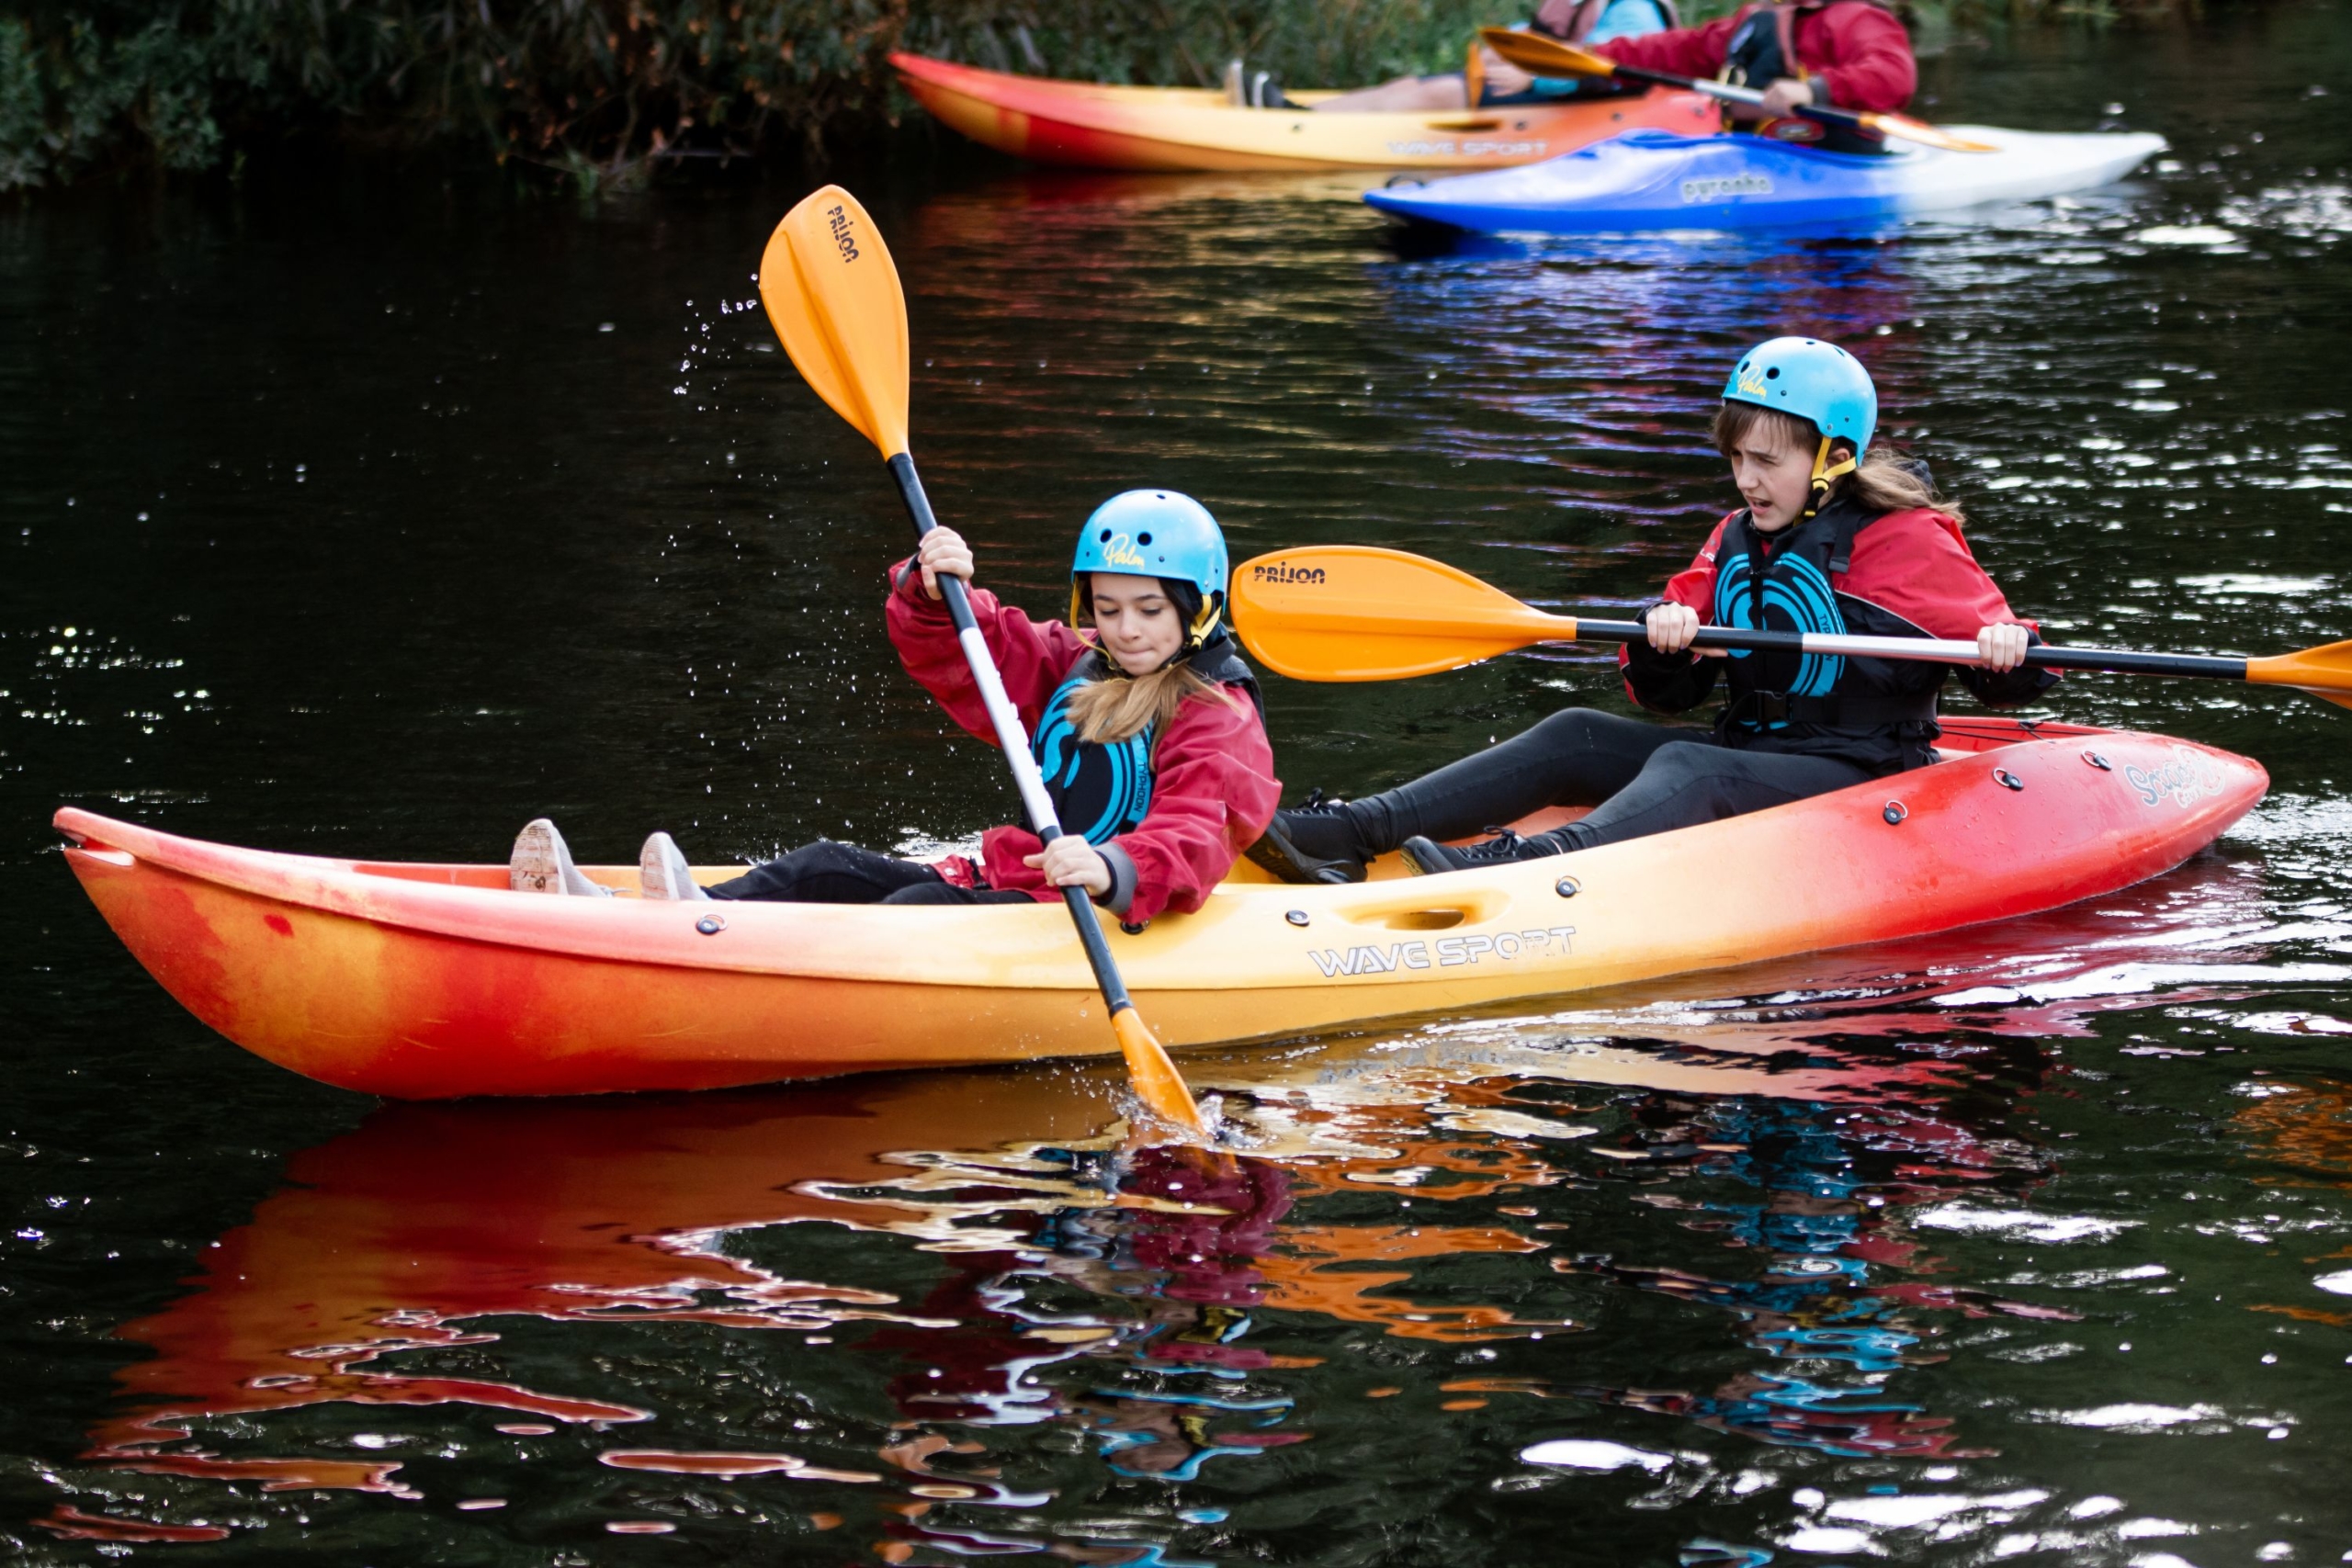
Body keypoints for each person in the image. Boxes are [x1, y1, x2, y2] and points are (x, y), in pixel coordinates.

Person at [1245, 336, 2053, 886]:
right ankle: (1352, 829)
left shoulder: (1905, 540)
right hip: (1754, 751)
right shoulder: (1736, 534)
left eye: (1766, 460)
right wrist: (1666, 646)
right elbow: (1663, 695)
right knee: (1574, 732)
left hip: (1862, 772)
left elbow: (2018, 672)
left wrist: (2007, 648)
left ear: (1834, 456)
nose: (1745, 478)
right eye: (1736, 456)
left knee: (1688, 767)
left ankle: (1531, 863)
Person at [511, 491, 1280, 925]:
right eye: (1108, 607)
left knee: (911, 904)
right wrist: (929, 584)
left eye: (1148, 609)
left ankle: (681, 935)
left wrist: (1112, 866)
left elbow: (1195, 832)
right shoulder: (1072, 663)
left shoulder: (1218, 717)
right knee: (824, 863)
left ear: (1197, 609)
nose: (1125, 628)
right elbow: (967, 651)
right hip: (1022, 885)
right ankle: (657, 919)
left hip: (1102, 909)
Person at [1589, 0, 1919, 152]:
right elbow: (1674, 50)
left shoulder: (1857, 17)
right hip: (1755, 150)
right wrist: (1590, 58)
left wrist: (1814, 90)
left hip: (1832, 156)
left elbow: (1894, 74)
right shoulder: (1756, 19)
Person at [1259, 0, 1674, 114]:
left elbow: (1611, 71)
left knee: (1437, 93)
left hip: (1574, 100)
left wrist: (1533, 79)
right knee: (1407, 85)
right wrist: (1508, 46)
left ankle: (1295, 121)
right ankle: (1303, 111)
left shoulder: (1636, 10)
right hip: (1535, 85)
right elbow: (1542, 34)